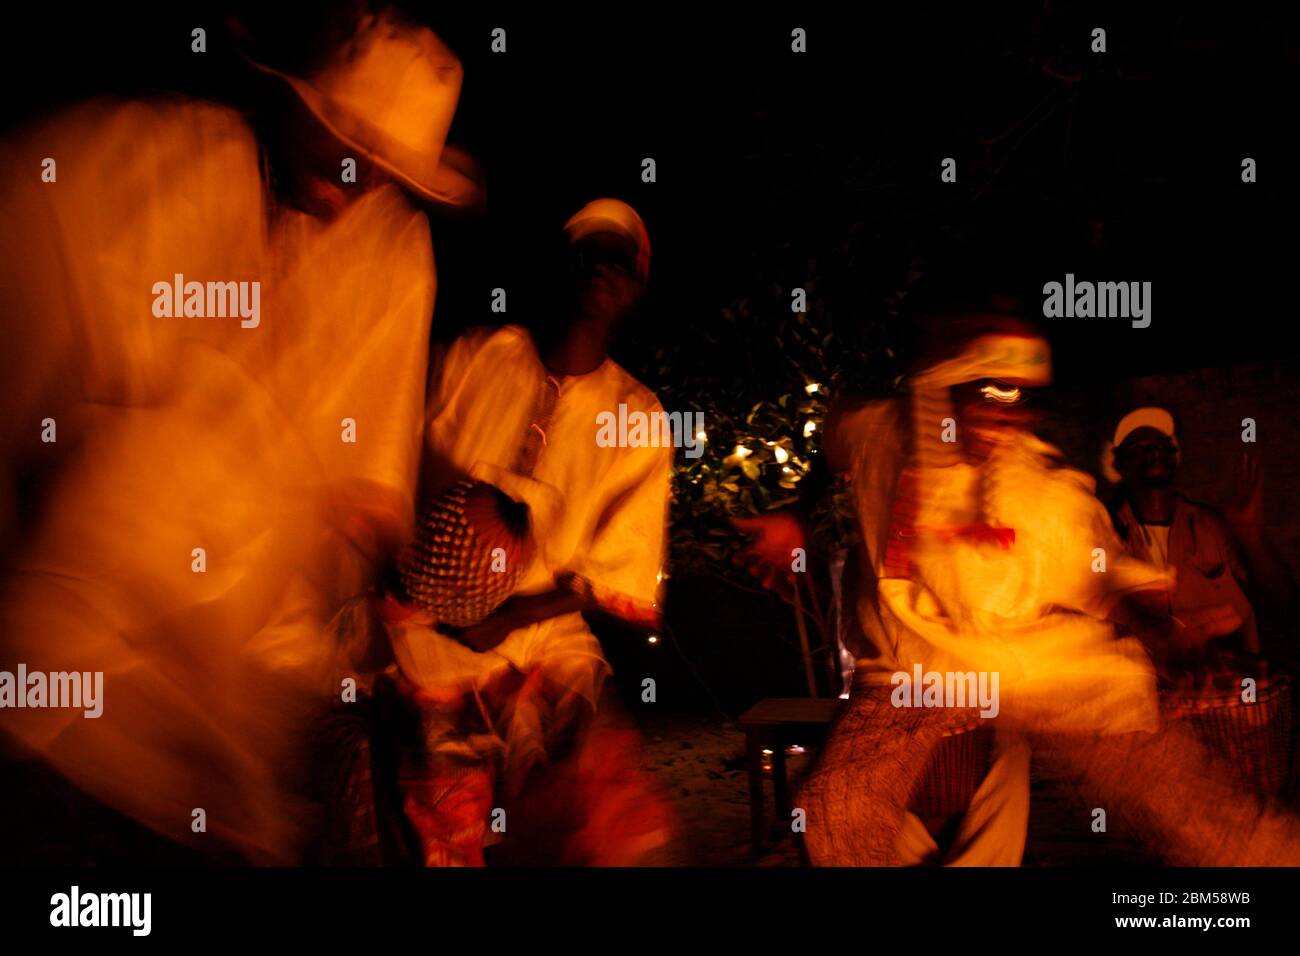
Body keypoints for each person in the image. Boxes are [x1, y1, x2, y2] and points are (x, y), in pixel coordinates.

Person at [0, 4, 481, 863]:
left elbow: (361, 495)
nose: (345, 176)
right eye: (336, 138)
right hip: (53, 669)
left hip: (239, 709)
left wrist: (393, 594)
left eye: (374, 168)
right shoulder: (121, 167)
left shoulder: (394, 257)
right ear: (288, 96)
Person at [365, 198, 673, 865]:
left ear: (635, 289)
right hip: (427, 645)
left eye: (619, 260)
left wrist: (511, 617)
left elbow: (615, 571)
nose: (601, 270)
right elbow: (392, 472)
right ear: (562, 267)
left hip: (543, 640)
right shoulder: (476, 358)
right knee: (440, 842)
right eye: (588, 253)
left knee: (600, 831)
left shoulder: (639, 418)